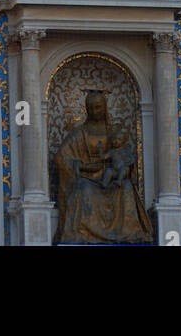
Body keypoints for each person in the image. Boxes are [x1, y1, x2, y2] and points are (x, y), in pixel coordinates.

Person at [54, 90, 152, 245]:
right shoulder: (80, 133)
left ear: (104, 107)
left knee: (126, 187)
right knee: (83, 189)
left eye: (98, 107)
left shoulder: (114, 132)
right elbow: (61, 156)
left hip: (112, 175)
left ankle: (129, 233)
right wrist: (76, 165)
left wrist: (123, 169)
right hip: (89, 177)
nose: (95, 111)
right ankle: (83, 233)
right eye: (91, 107)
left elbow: (125, 156)